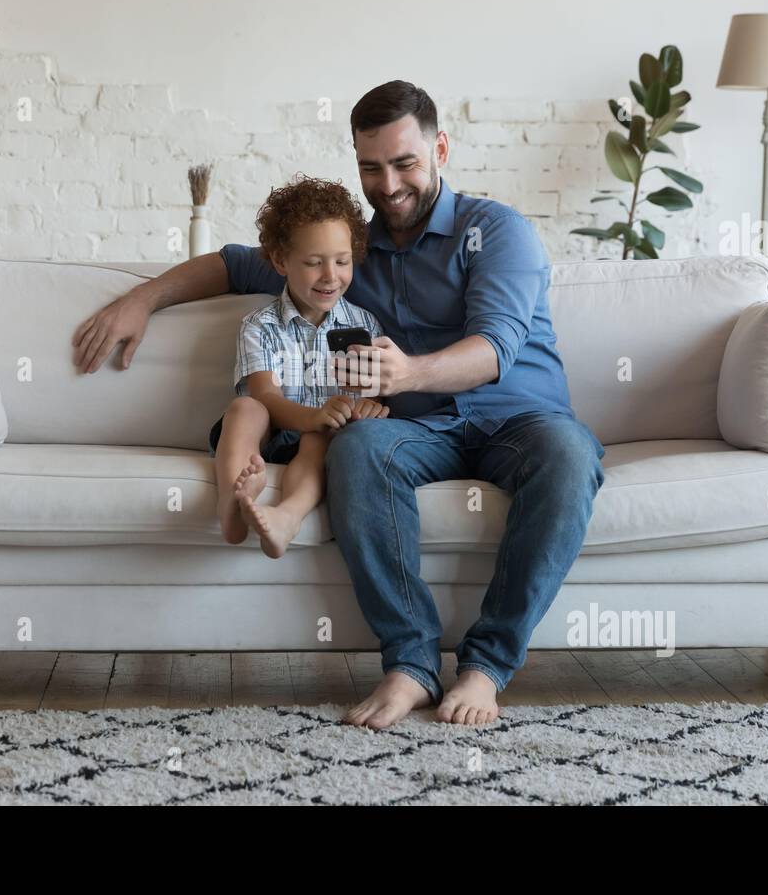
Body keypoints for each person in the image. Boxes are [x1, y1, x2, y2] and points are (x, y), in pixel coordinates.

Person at [71, 81, 606, 730]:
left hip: (521, 420)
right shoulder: (350, 251)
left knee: (570, 455)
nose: (389, 183)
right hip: (418, 432)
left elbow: (494, 347)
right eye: (371, 167)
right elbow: (238, 264)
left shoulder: (494, 232)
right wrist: (142, 299)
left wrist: (409, 372)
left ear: (439, 148)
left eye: (405, 162)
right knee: (356, 446)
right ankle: (409, 665)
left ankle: (484, 667)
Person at [211, 175, 387, 559]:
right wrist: (315, 415)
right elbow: (266, 397)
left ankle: (286, 518)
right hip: (270, 434)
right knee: (244, 408)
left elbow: (370, 397)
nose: (331, 276)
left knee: (319, 437)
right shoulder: (259, 326)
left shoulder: (365, 326)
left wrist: (368, 409)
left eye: (342, 261)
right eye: (313, 263)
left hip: (321, 443)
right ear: (280, 261)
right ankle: (231, 507)